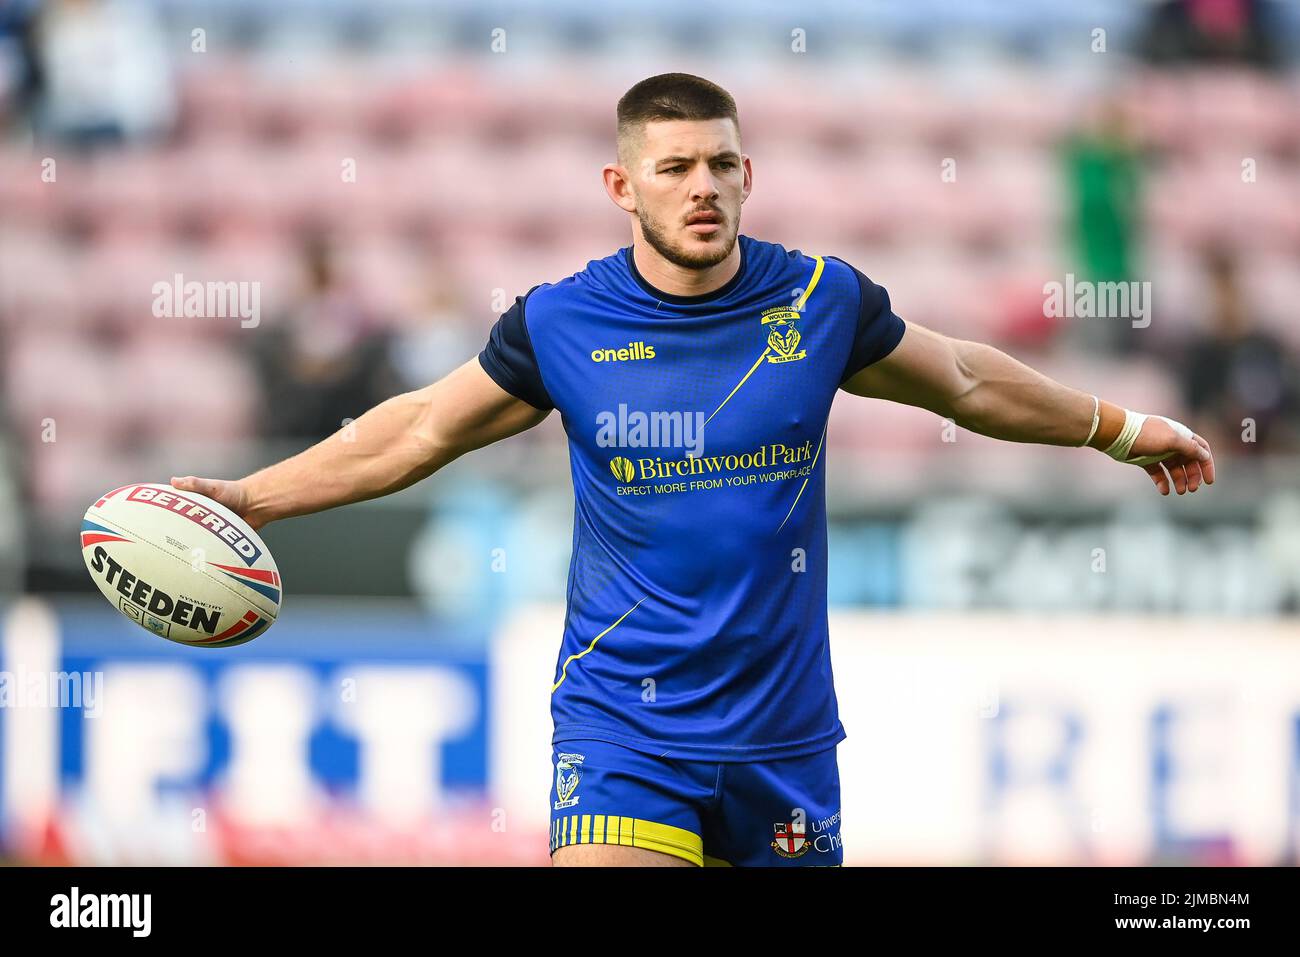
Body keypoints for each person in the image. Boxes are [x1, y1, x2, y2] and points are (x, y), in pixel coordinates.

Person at [172, 73, 1215, 867]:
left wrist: (1120, 428)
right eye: (674, 168)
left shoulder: (820, 300)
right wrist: (251, 498)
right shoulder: (559, 323)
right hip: (624, 719)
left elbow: (964, 382)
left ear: (748, 175)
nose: (702, 187)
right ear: (623, 186)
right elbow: (413, 432)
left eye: (720, 164)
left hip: (784, 734)